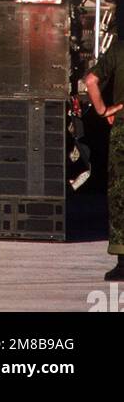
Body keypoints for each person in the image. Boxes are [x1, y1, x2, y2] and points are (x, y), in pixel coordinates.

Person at [84, 34, 124, 280]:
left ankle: (123, 260)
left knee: (120, 193)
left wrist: (104, 110)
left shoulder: (118, 51)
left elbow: (91, 81)